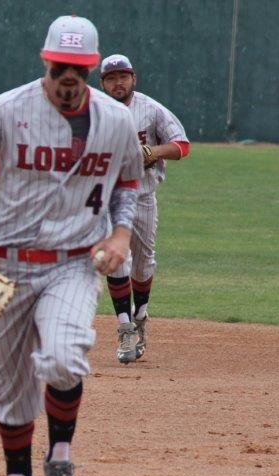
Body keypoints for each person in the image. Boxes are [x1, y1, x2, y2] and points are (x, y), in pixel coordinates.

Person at [0, 16, 143, 476]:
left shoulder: (115, 121)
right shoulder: (5, 111)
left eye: (78, 68)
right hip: (6, 266)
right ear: (45, 62)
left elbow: (128, 181)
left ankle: (59, 460)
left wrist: (121, 234)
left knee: (63, 360)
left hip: (74, 264)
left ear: (91, 68)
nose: (67, 77)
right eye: (59, 67)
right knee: (11, 391)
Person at [98, 54, 190, 363]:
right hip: (109, 199)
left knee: (143, 264)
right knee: (117, 260)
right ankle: (125, 328)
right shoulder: (92, 111)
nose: (118, 83)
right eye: (111, 78)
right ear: (102, 83)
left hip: (143, 197)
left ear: (133, 78)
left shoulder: (151, 110)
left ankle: (140, 316)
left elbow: (182, 146)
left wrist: (153, 151)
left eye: (123, 76)